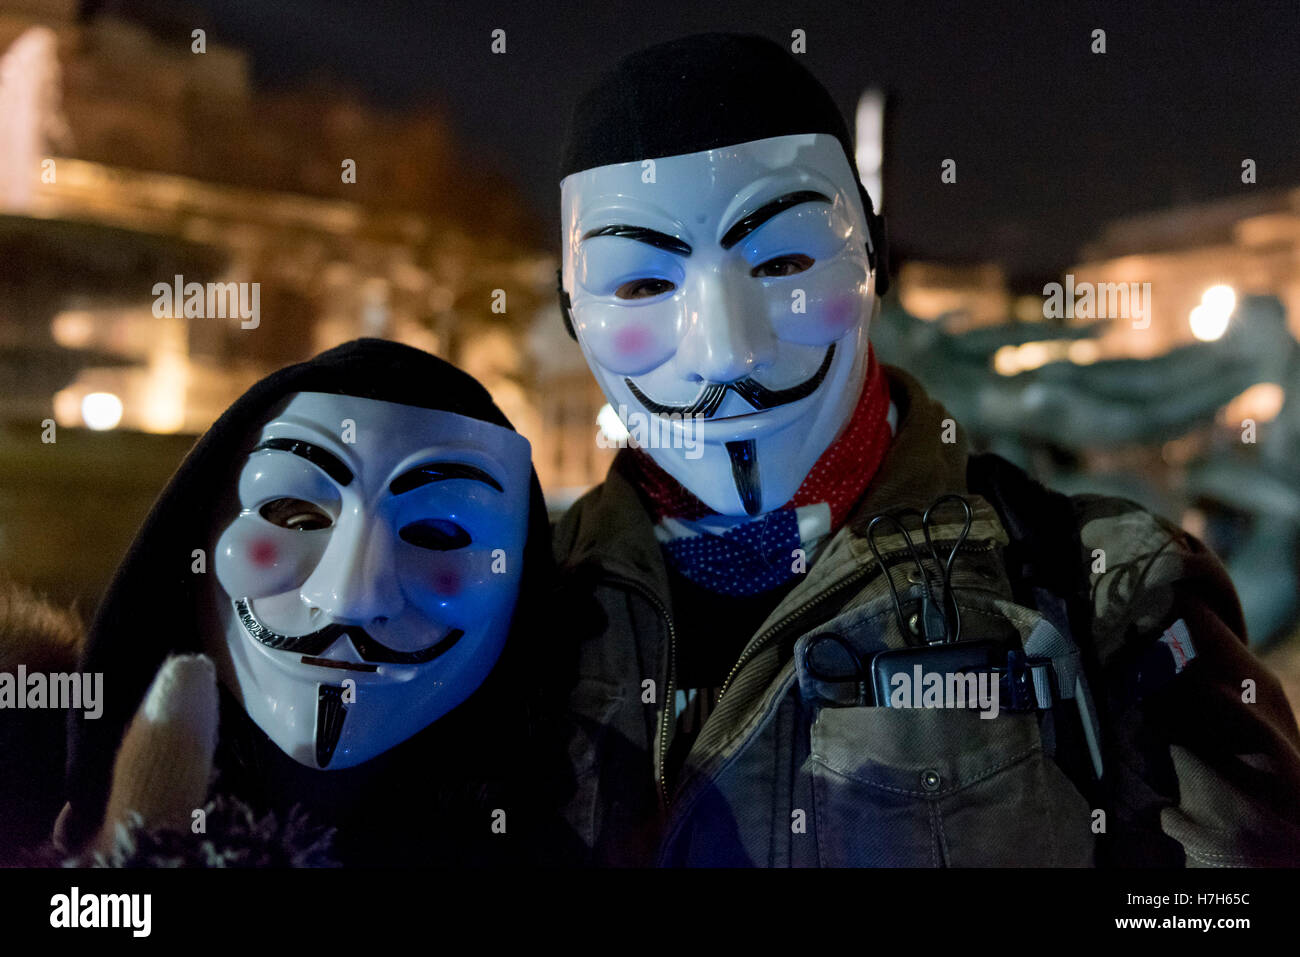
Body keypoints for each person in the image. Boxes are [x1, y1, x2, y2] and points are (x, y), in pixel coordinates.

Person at [552, 32, 1300, 866]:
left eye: (784, 261)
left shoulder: (1109, 594)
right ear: (570, 303)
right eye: (644, 282)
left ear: (869, 255)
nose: (728, 351)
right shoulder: (508, 618)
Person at [43, 338, 571, 866]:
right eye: (297, 518)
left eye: (437, 535)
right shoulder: (23, 786)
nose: (349, 598)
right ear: (200, 527)